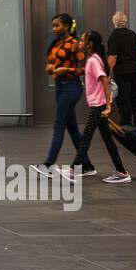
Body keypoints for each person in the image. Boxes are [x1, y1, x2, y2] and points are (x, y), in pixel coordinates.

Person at [66, 30, 130, 184]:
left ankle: (73, 170)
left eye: (83, 40)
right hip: (98, 104)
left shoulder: (94, 61)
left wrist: (108, 106)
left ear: (90, 44)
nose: (80, 43)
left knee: (86, 137)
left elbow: (105, 81)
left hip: (99, 105)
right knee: (108, 140)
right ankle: (121, 171)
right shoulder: (93, 59)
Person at [35, 13, 94, 178]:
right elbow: (53, 62)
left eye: (57, 25)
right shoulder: (56, 44)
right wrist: (50, 67)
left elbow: (85, 69)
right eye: (53, 26)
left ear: (67, 26)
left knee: (59, 124)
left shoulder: (75, 45)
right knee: (72, 128)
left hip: (71, 88)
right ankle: (87, 164)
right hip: (60, 87)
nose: (54, 29)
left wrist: (67, 70)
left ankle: (48, 164)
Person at [107, 11, 136, 127]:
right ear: (125, 22)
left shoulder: (113, 37)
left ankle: (126, 124)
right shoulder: (133, 35)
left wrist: (108, 74)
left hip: (122, 72)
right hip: (134, 70)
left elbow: (113, 58)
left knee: (124, 99)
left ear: (114, 22)